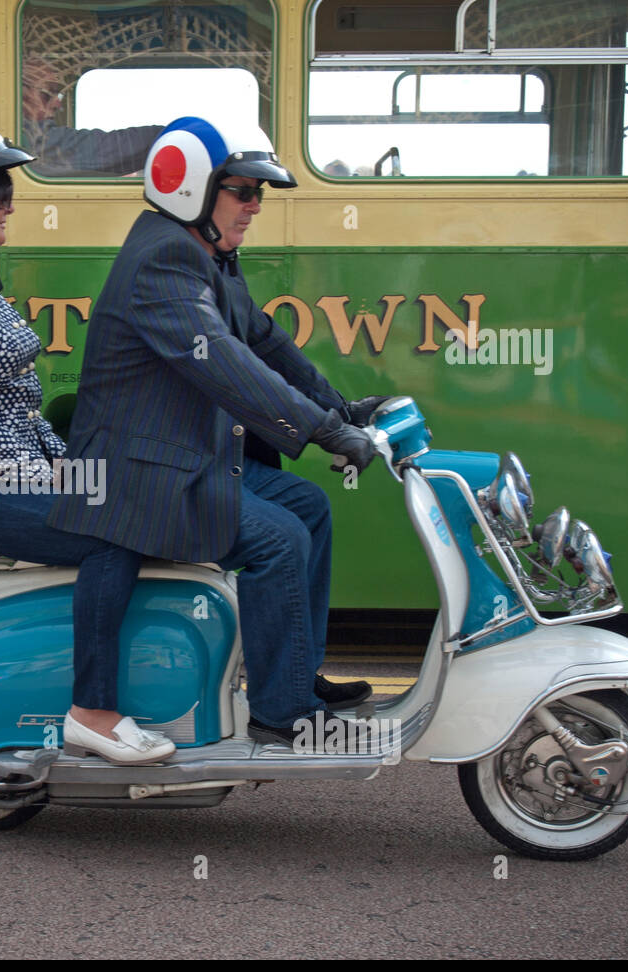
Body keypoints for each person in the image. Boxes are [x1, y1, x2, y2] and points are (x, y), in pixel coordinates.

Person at [48, 115, 385, 745]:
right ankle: (282, 713)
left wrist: (339, 410)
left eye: (259, 194)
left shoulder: (210, 255)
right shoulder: (165, 260)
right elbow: (227, 367)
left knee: (307, 507)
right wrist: (320, 432)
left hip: (184, 459)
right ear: (191, 190)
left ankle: (296, 675)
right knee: (277, 539)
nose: (255, 207)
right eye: (244, 191)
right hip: (142, 473)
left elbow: (262, 341)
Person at [0, 118, 174, 765]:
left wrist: (66, 465)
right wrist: (48, 478)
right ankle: (93, 711)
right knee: (115, 530)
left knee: (134, 497)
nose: (11, 200)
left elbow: (12, 399)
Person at [21, 58, 163, 178]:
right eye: (48, 93)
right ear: (22, 94)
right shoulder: (26, 137)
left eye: (58, 94)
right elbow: (97, 150)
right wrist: (171, 135)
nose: (58, 103)